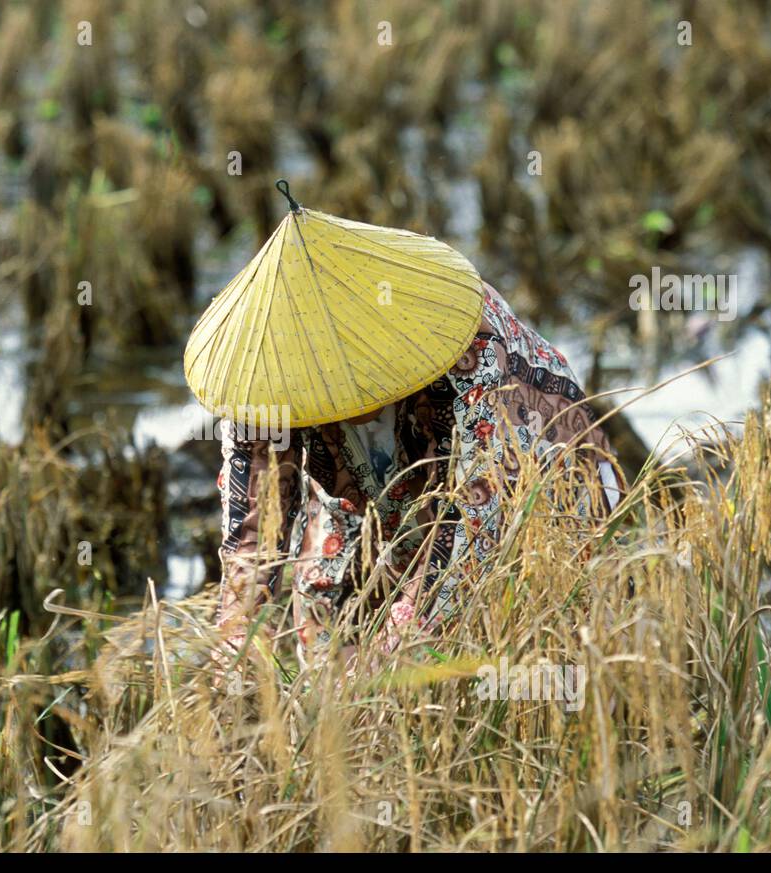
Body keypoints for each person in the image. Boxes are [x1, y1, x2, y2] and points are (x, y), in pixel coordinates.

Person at [184, 186, 621, 669]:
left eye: (359, 380)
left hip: (528, 468)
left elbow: (472, 527)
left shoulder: (473, 357)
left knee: (519, 627)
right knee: (325, 611)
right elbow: (254, 534)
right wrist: (241, 655)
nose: (349, 401)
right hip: (369, 491)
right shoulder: (263, 375)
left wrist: (386, 659)